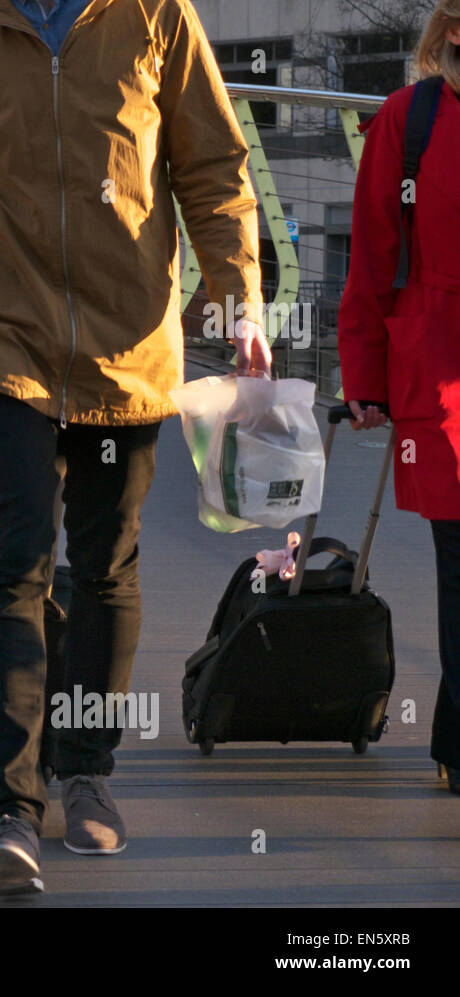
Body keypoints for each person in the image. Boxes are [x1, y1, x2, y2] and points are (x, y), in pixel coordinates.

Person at [0, 0, 270, 895]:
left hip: (126, 339)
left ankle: (86, 767)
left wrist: (237, 294)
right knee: (13, 553)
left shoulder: (156, 13)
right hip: (2, 336)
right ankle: (10, 808)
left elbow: (212, 161)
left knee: (106, 560)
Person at [338, 0, 460, 797]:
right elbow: (373, 254)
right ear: (455, 30)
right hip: (442, 375)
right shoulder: (407, 123)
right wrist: (366, 380)